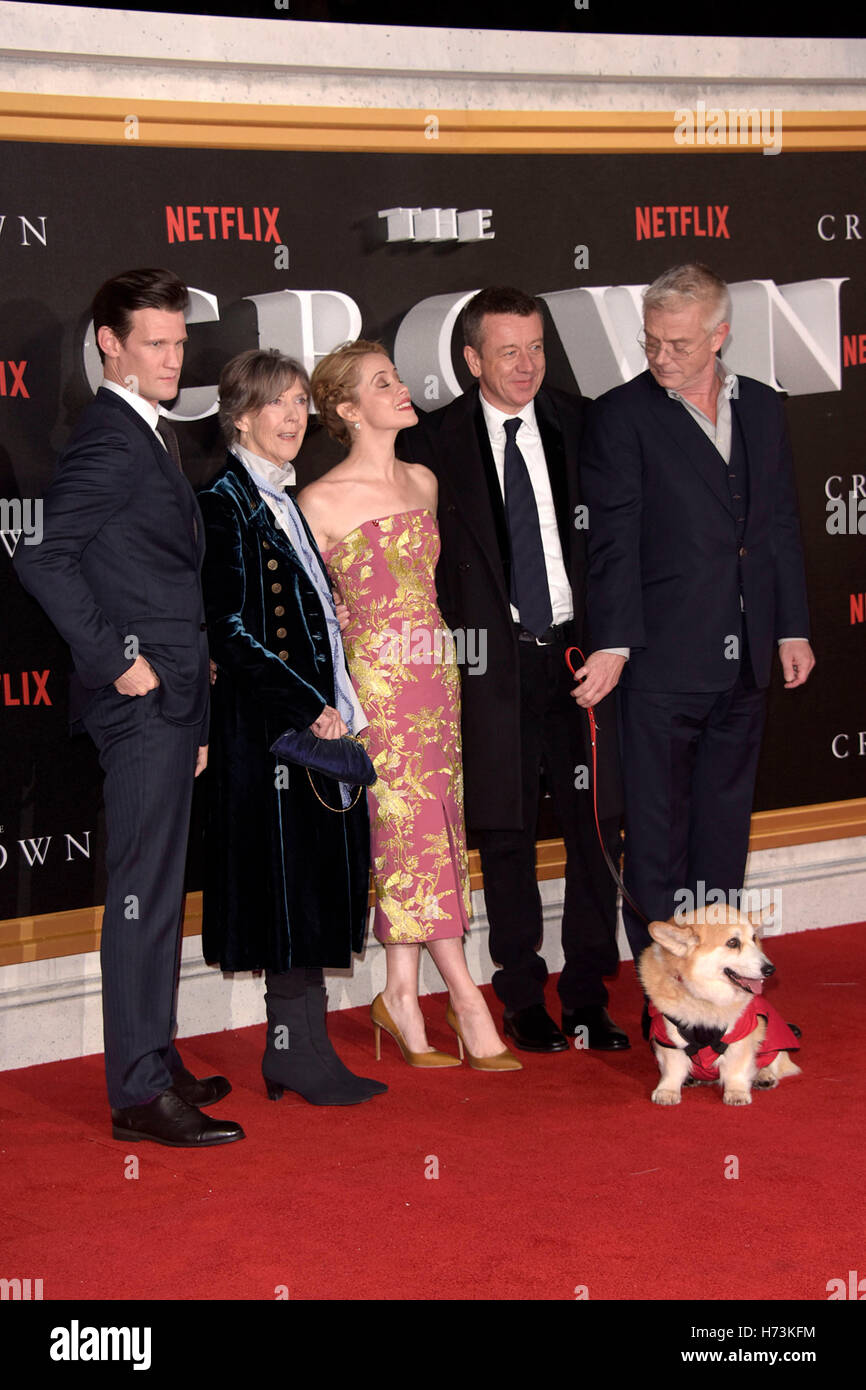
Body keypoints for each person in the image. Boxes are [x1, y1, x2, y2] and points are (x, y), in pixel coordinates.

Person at [14, 268, 243, 1147]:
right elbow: (43, 558)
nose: (173, 359)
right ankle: (139, 1095)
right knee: (140, 896)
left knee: (156, 891)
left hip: (173, 706)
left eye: (180, 342)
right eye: (156, 342)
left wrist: (188, 706)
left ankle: (156, 1058)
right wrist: (121, 663)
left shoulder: (146, 435)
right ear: (110, 344)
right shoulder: (111, 439)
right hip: (141, 704)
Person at [399, 288, 627, 1054]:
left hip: (580, 659)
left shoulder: (584, 421)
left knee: (598, 832)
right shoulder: (432, 444)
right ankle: (523, 996)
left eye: (536, 348)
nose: (527, 365)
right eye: (508, 351)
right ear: (470, 360)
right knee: (507, 833)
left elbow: (618, 547)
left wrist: (613, 643)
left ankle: (591, 994)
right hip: (491, 670)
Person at [577, 262, 815, 973]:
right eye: (651, 341)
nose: (661, 357)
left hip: (744, 662)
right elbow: (611, 540)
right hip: (660, 664)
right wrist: (615, 643)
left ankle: (719, 988)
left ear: (720, 335)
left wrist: (791, 626)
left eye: (677, 343)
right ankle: (666, 994)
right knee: (655, 837)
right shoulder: (622, 414)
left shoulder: (766, 408)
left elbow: (777, 526)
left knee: (722, 832)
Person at [299, 340, 520, 1072]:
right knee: (412, 833)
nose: (401, 389)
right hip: (377, 692)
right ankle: (464, 996)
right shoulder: (318, 502)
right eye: (380, 382)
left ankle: (398, 991)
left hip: (436, 679)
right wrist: (337, 702)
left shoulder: (424, 481)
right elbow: (317, 621)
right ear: (344, 408)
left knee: (435, 833)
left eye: (395, 376)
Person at [197, 348, 386, 1106]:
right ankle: (295, 1054)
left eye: (300, 401)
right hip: (271, 734)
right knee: (288, 889)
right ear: (239, 415)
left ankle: (300, 1053)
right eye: (275, 403)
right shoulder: (225, 500)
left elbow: (287, 613)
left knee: (307, 885)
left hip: (307, 724)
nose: (291, 416)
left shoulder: (280, 497)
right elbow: (230, 628)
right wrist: (306, 701)